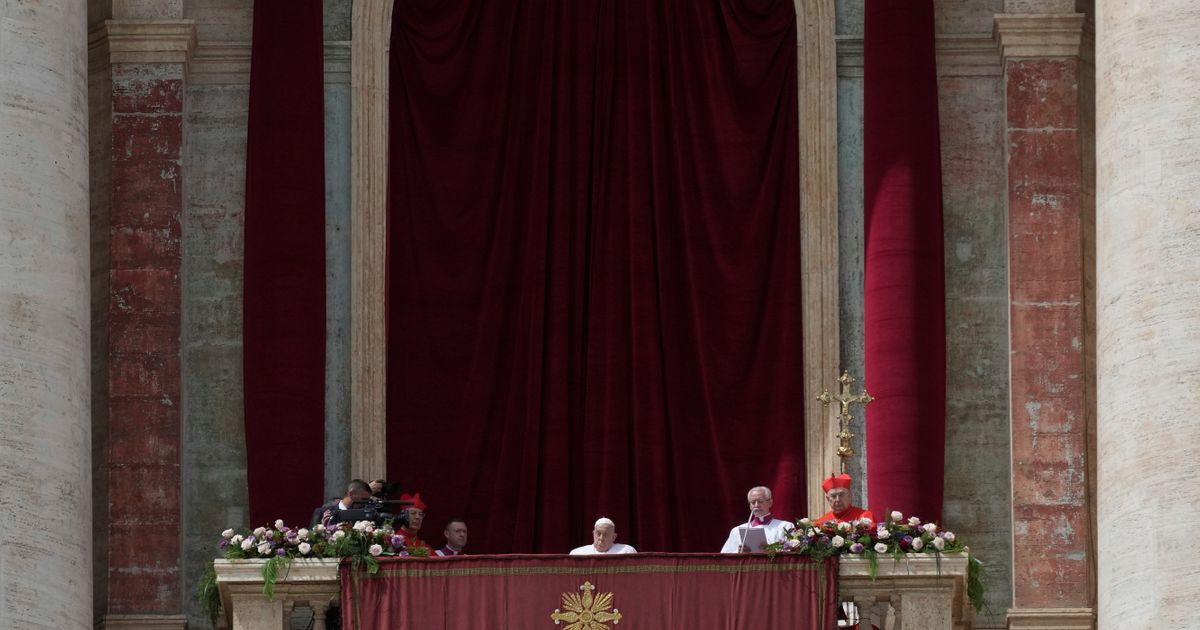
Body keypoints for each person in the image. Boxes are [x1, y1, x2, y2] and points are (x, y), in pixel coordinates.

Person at [720, 486, 794, 553]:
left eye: (760, 501)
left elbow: (794, 552)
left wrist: (773, 551)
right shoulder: (736, 530)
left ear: (770, 503)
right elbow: (724, 556)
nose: (756, 505)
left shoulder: (786, 526)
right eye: (753, 502)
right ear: (749, 506)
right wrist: (739, 552)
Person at [570, 517, 637, 555]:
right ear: (593, 534)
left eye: (606, 535)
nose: (601, 538)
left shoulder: (627, 551)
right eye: (598, 534)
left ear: (614, 537)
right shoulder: (578, 553)